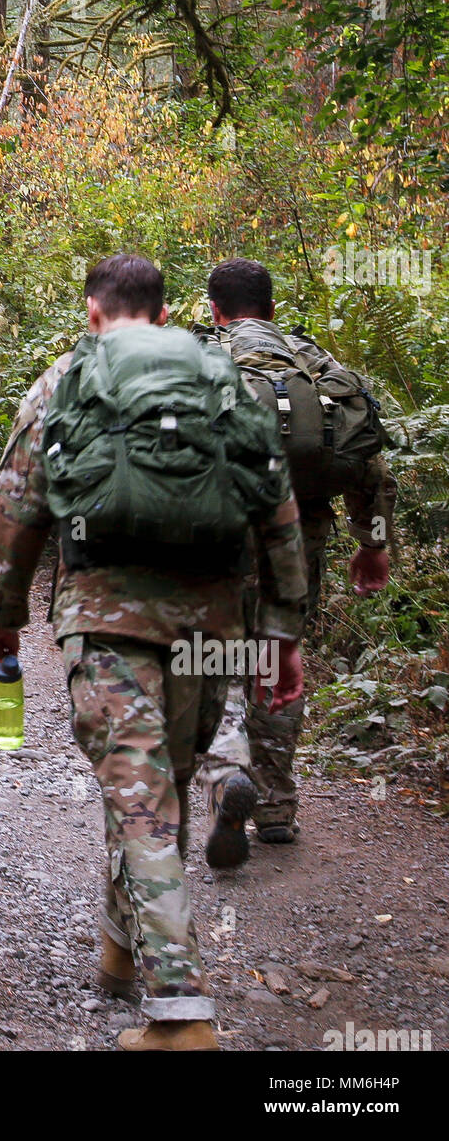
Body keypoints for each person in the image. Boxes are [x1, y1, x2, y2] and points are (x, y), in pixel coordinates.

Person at [0, 254, 308, 1051]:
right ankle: (119, 947)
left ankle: (181, 1013)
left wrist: (1, 616)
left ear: (93, 314)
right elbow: (275, 501)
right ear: (163, 315)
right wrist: (284, 631)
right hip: (212, 625)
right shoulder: (221, 374)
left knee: (140, 802)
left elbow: (17, 504)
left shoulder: (66, 377)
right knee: (166, 790)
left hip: (107, 619)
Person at [195, 258, 396, 860]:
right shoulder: (313, 364)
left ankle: (222, 780)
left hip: (214, 543)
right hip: (298, 542)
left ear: (214, 310)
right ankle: (276, 805)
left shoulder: (195, 358)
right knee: (278, 657)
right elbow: (370, 463)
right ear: (273, 309)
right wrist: (373, 544)